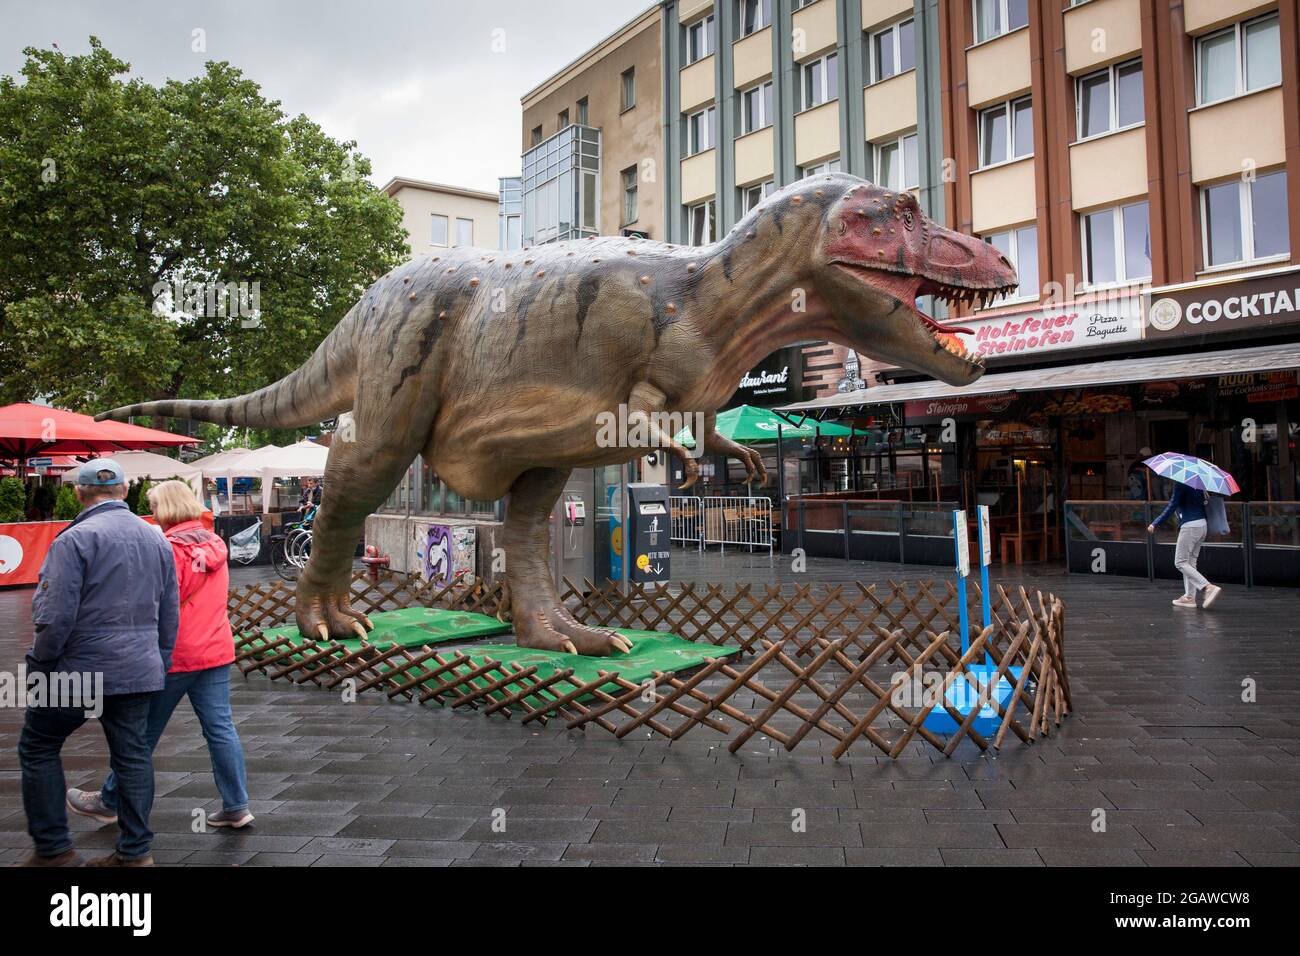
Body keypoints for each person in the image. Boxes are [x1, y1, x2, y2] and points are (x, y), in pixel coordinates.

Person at [16, 458, 178, 867]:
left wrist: (41, 662)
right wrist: (159, 658)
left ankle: (54, 848)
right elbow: (170, 610)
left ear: (78, 494)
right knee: (133, 754)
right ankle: (136, 853)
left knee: (39, 744)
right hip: (139, 667)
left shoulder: (73, 540)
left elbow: (54, 615)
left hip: (78, 669)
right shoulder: (156, 539)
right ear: (125, 491)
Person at [68, 481, 253, 832]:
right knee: (220, 729)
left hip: (175, 654)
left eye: (154, 506)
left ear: (164, 510)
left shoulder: (167, 549)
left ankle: (109, 801)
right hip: (215, 649)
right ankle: (237, 805)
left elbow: (158, 600)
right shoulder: (215, 542)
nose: (151, 514)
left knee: (141, 732)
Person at [1148, 482, 1222, 609]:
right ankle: (1189, 597)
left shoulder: (1180, 485)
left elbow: (1172, 505)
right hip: (1202, 525)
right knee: (1190, 563)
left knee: (1180, 562)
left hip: (1190, 526)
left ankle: (1208, 587)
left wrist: (1155, 523)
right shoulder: (1199, 484)